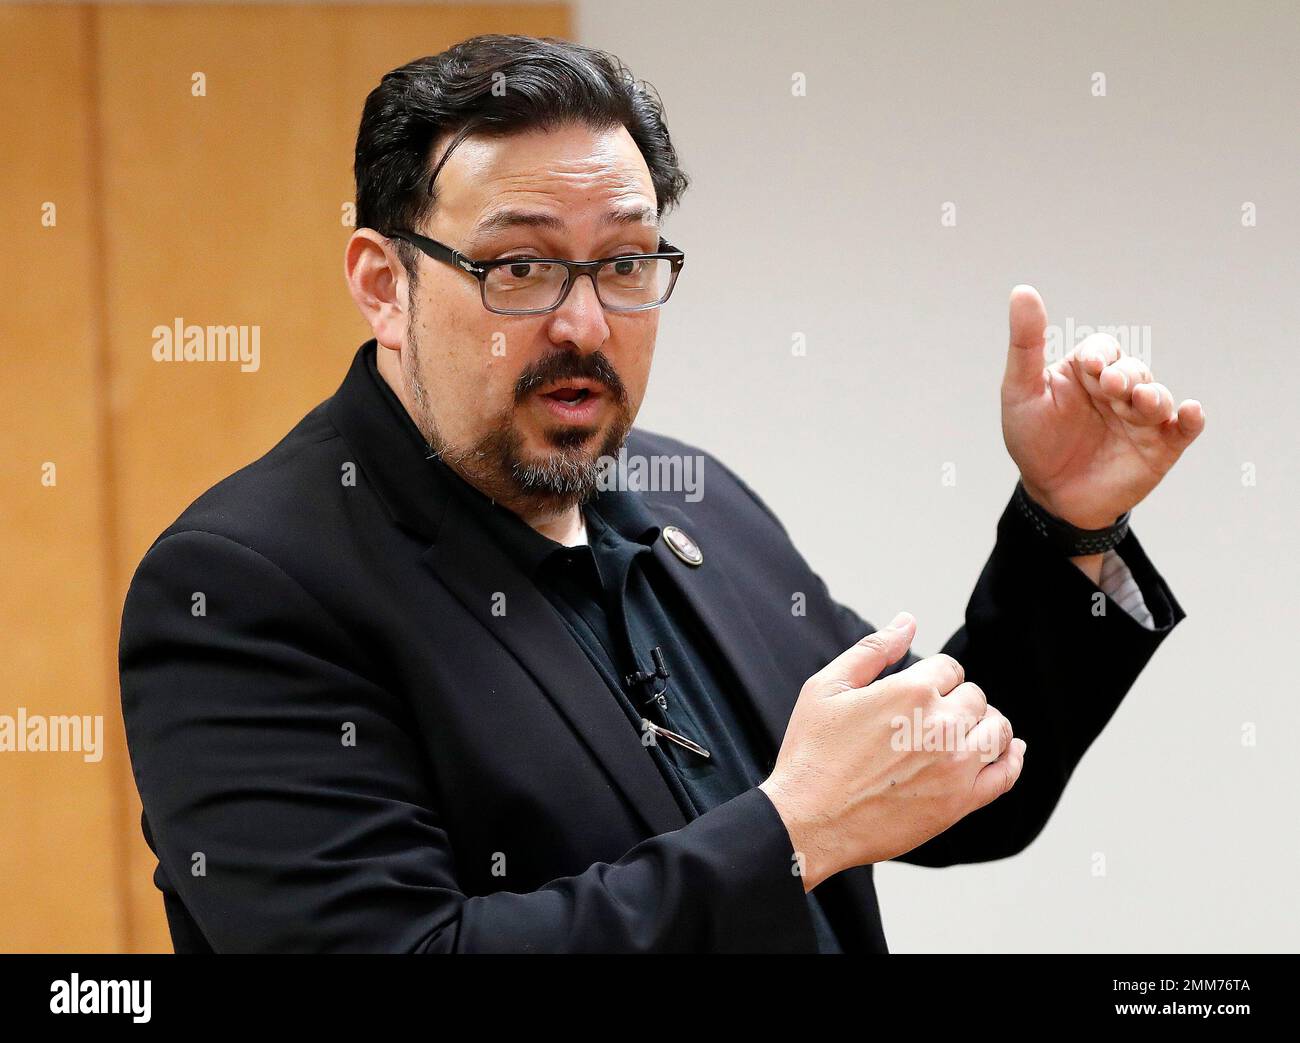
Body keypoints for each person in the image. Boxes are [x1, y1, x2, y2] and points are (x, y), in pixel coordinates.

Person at [119, 34, 1204, 953]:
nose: (585, 324)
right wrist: (793, 829)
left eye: (627, 263)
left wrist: (1068, 523)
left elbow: (948, 780)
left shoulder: (694, 502)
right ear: (381, 282)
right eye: (519, 268)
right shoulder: (244, 588)